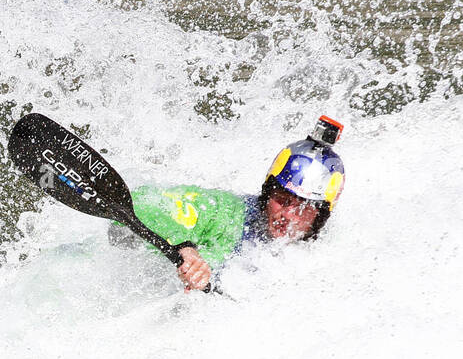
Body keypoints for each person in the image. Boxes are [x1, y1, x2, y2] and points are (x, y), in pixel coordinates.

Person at [108, 116, 346, 292]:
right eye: (282, 200)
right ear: (267, 193)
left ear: (322, 217)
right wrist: (185, 249)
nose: (288, 215)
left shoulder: (332, 257)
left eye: (304, 208)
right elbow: (141, 203)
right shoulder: (225, 213)